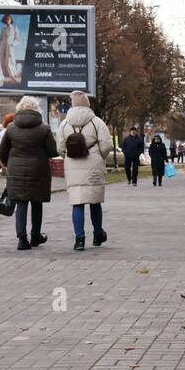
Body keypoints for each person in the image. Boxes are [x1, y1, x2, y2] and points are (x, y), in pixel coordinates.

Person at [0, 96, 58, 251]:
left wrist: (9, 164)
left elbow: (2, 151)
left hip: (16, 170)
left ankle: (22, 239)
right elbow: (52, 151)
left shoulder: (10, 128)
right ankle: (36, 236)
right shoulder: (44, 128)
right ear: (36, 110)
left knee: (21, 203)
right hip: (38, 170)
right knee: (37, 203)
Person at [57, 90, 112, 251]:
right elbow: (107, 145)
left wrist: (68, 155)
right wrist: (100, 155)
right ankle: (97, 235)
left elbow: (60, 148)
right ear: (87, 104)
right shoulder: (97, 122)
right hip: (94, 166)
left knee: (77, 203)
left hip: (73, 166)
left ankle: (79, 240)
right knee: (95, 202)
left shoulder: (65, 124)